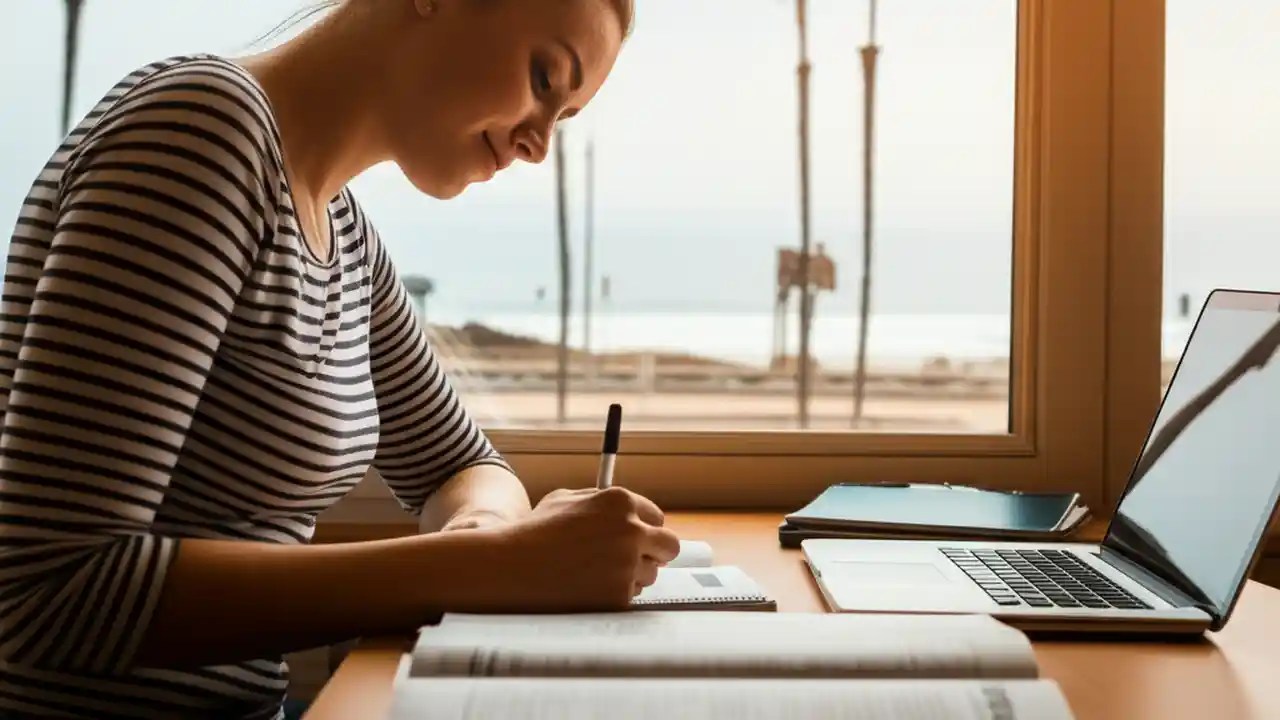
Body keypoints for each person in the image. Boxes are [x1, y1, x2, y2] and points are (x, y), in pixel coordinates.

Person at [0, 0, 679, 718]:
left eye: (564, 117)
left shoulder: (344, 233)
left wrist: (486, 538)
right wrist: (487, 568)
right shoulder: (201, 134)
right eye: (545, 78)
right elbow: (49, 592)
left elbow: (462, 465)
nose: (540, 144)